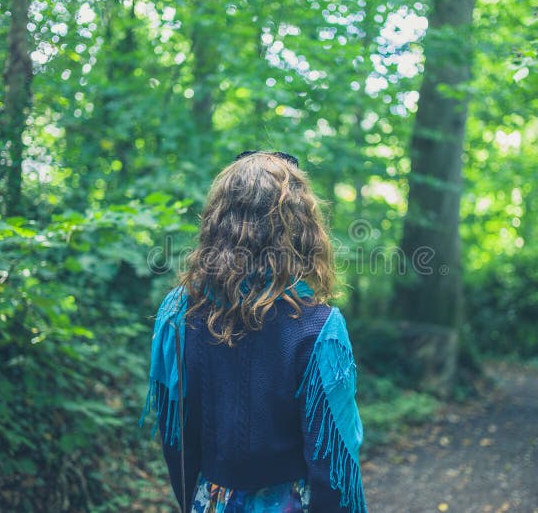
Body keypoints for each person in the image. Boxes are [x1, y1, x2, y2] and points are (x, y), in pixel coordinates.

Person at [139, 150, 367, 512]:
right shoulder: (320, 327)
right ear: (301, 227)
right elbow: (332, 463)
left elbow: (177, 442)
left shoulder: (178, 314)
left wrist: (197, 502)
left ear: (218, 221)